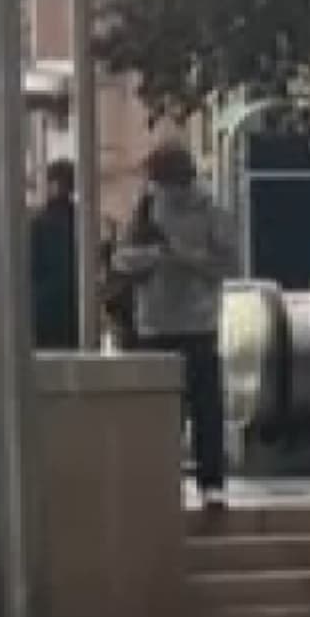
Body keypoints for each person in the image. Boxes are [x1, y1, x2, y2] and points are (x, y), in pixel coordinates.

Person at [115, 138, 232, 507]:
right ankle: (163, 480)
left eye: (160, 180)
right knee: (163, 412)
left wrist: (184, 256)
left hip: (198, 322)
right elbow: (122, 259)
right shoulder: (146, 208)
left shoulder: (212, 210)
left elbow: (228, 264)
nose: (157, 188)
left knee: (206, 408)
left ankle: (211, 481)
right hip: (154, 322)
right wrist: (152, 257)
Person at [26, 159, 82, 352]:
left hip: (47, 312)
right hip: (76, 309)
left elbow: (30, 269)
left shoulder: (40, 223)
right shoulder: (83, 219)